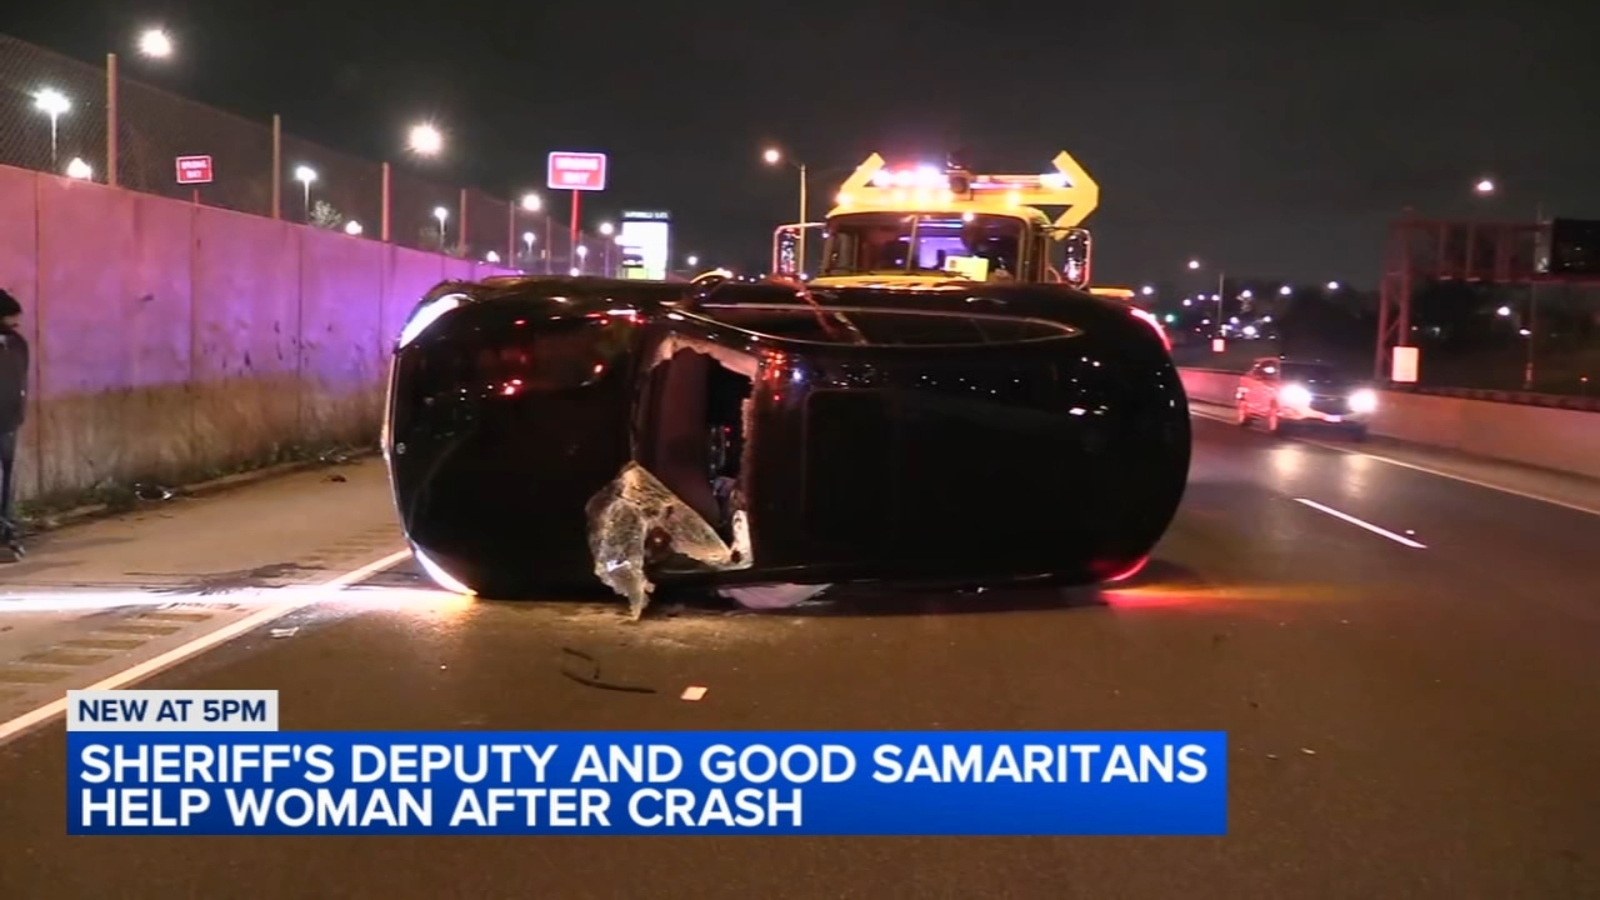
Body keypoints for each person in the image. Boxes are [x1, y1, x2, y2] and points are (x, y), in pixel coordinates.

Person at [0, 289, 27, 558]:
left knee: (8, 481)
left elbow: (21, 378)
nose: (15, 324)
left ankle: (7, 532)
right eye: (9, 318)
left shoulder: (17, 344)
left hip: (8, 422)